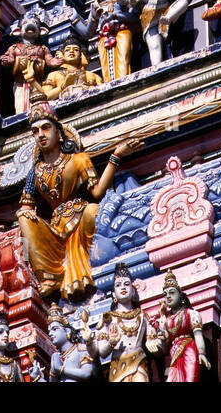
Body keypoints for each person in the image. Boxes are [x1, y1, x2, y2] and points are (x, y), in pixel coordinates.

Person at [16, 100, 138, 301]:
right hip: (55, 230)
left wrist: (115, 157)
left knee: (93, 209)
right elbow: (26, 208)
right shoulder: (35, 172)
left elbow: (97, 192)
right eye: (35, 131)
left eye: (46, 128)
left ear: (58, 131)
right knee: (22, 218)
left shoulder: (78, 159)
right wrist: (27, 215)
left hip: (81, 217)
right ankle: (47, 275)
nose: (41, 135)